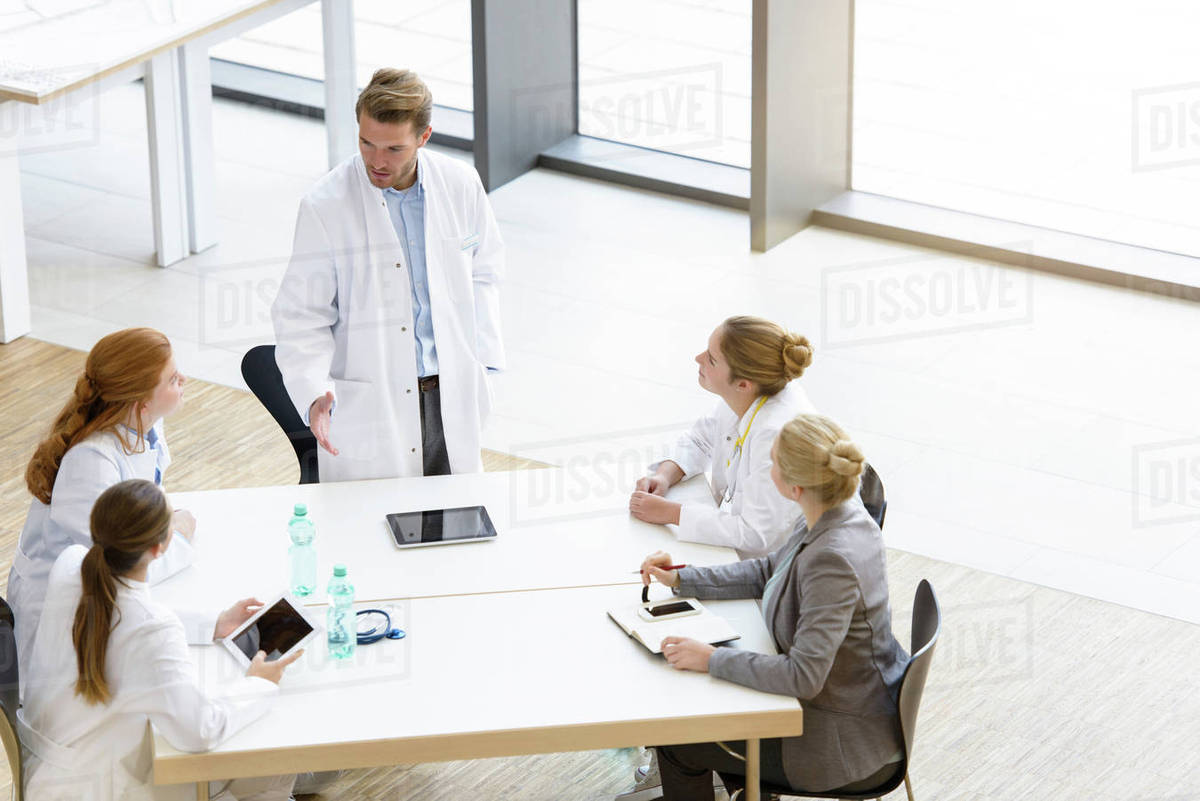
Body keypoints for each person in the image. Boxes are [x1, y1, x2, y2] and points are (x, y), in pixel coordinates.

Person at [639, 414, 909, 799]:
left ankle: (746, 786)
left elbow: (803, 676)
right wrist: (683, 578)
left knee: (676, 737)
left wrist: (710, 659)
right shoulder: (831, 508)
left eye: (773, 462)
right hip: (844, 708)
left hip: (835, 743)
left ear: (794, 486)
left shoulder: (833, 558)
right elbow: (770, 569)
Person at [272, 67, 505, 483]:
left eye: (394, 149)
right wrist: (313, 392)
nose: (377, 161)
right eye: (366, 143)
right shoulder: (325, 206)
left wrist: (483, 363)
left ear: (424, 137)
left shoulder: (461, 184)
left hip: (451, 390)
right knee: (370, 529)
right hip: (372, 400)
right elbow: (300, 316)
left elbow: (484, 273)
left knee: (456, 517)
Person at [17, 479, 301, 801]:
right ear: (160, 547)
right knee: (271, 753)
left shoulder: (70, 563)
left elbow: (125, 614)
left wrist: (213, 624)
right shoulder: (153, 631)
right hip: (103, 788)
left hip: (50, 771)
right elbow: (198, 732)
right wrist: (258, 683)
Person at [9, 328, 209, 684]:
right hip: (62, 621)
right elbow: (120, 565)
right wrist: (175, 535)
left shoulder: (145, 425)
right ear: (142, 401)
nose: (185, 381)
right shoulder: (90, 462)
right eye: (173, 379)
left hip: (98, 603)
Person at [629, 316, 816, 558]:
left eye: (711, 359)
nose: (698, 359)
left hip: (781, 566)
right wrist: (665, 475)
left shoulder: (776, 436)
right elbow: (701, 439)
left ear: (743, 384)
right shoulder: (753, 392)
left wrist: (672, 513)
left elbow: (756, 535)